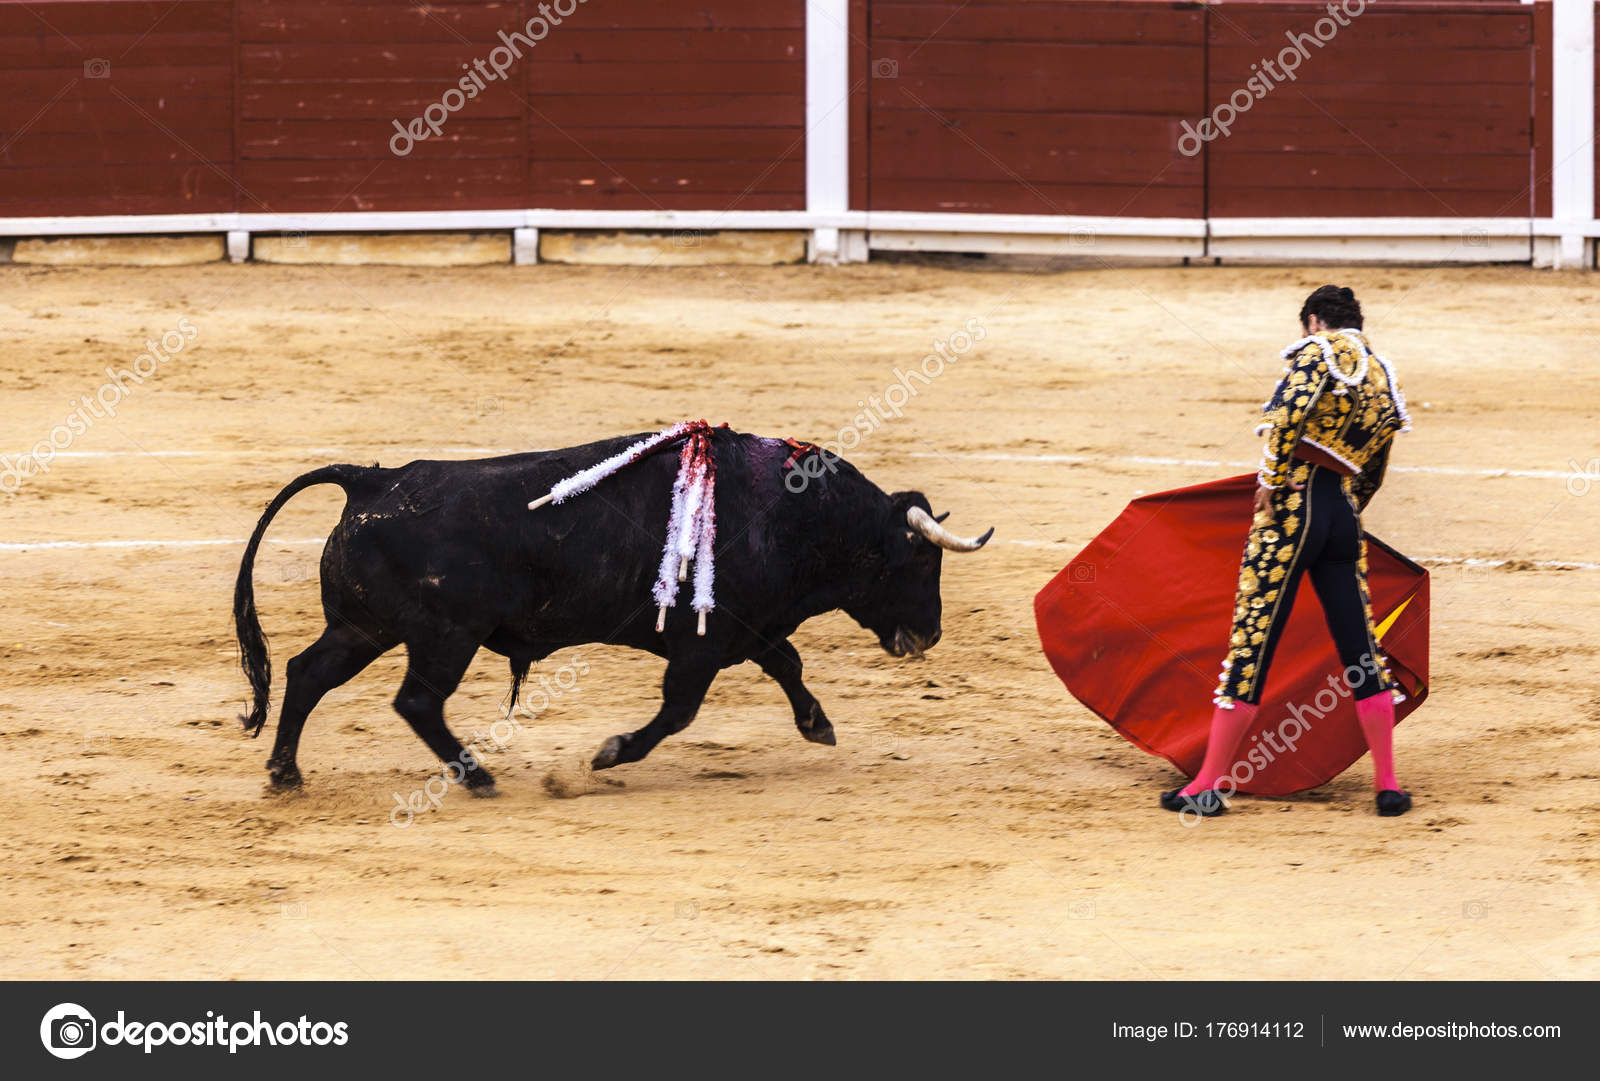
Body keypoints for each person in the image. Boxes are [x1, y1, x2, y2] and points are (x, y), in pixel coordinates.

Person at [1161, 285, 1413, 818]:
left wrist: (1273, 481)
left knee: (1253, 641)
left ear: (1314, 321)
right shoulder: (1380, 375)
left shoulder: (1317, 353)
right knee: (1361, 649)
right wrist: (1345, 507)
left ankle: (1208, 784)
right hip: (1342, 514)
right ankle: (1387, 786)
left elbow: (1288, 417)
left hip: (1292, 511)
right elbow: (1376, 466)